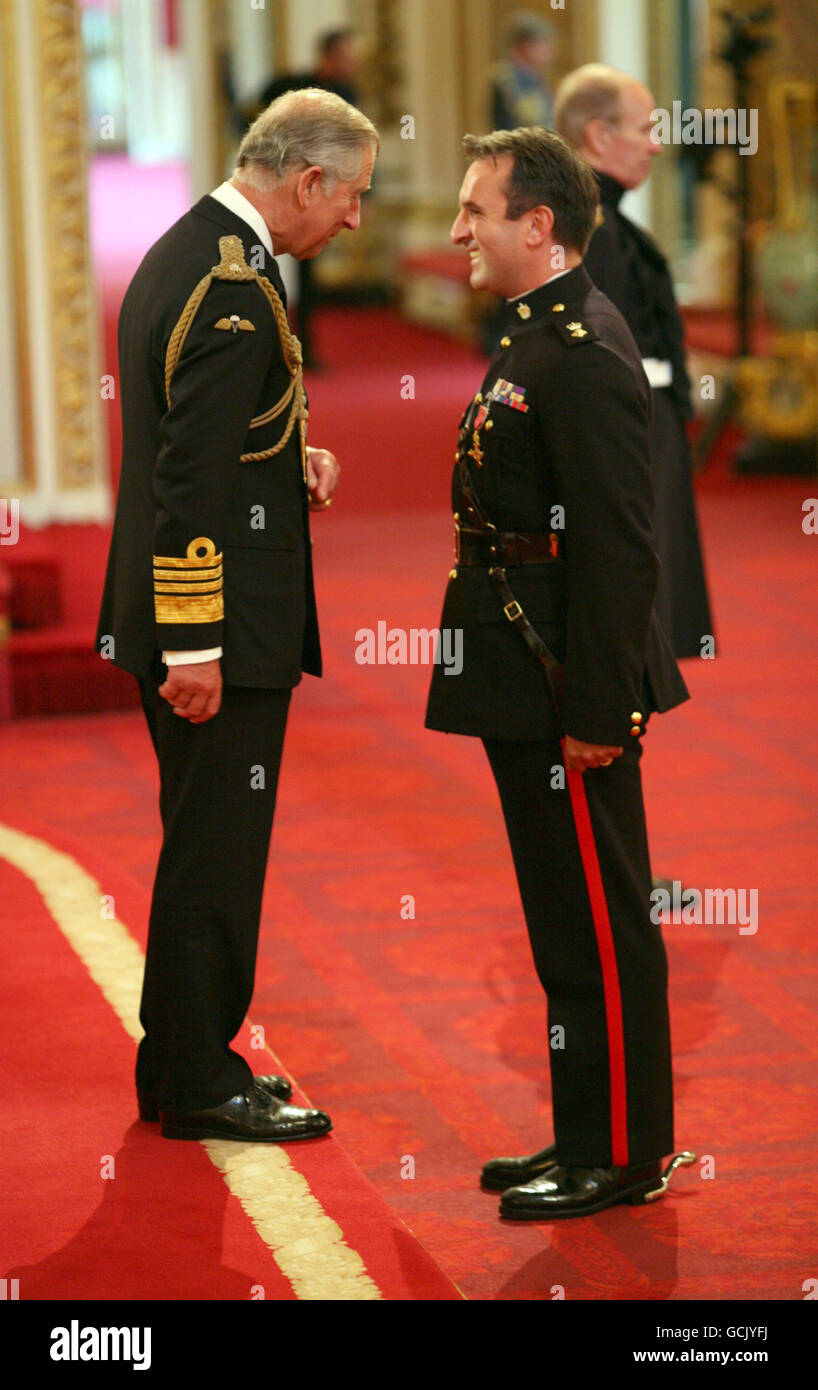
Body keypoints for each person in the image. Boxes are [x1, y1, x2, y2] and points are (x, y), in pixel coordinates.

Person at [96, 88, 379, 1144]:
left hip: (186, 605)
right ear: (306, 181)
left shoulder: (196, 249)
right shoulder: (234, 286)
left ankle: (179, 1057)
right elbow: (187, 476)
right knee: (215, 853)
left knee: (200, 840)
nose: (352, 220)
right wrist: (198, 642)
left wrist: (281, 454)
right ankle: (199, 1079)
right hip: (211, 624)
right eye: (349, 196)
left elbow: (207, 434)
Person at [425, 127, 692, 1219]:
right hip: (518, 667)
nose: (456, 232)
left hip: (563, 683)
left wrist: (598, 705)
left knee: (598, 912)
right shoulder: (535, 332)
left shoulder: (579, 346)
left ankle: (626, 1150)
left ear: (536, 226)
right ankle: (584, 1128)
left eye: (474, 212)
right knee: (557, 918)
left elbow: (622, 543)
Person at [554, 64, 713, 659]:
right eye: (645, 127)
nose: (655, 143)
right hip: (632, 426)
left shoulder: (603, 220)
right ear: (598, 136)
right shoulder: (592, 228)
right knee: (635, 605)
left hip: (642, 420)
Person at [255, 29, 364, 368]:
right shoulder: (287, 85)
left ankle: (303, 348)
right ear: (328, 55)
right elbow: (253, 125)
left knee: (307, 270)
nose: (352, 63)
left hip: (317, 196)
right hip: (275, 190)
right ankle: (258, 344)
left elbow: (354, 149)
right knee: (259, 261)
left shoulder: (347, 93)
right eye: (346, 55)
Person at [492, 12, 555, 133]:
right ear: (526, 45)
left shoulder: (535, 77)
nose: (549, 50)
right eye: (544, 43)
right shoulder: (505, 79)